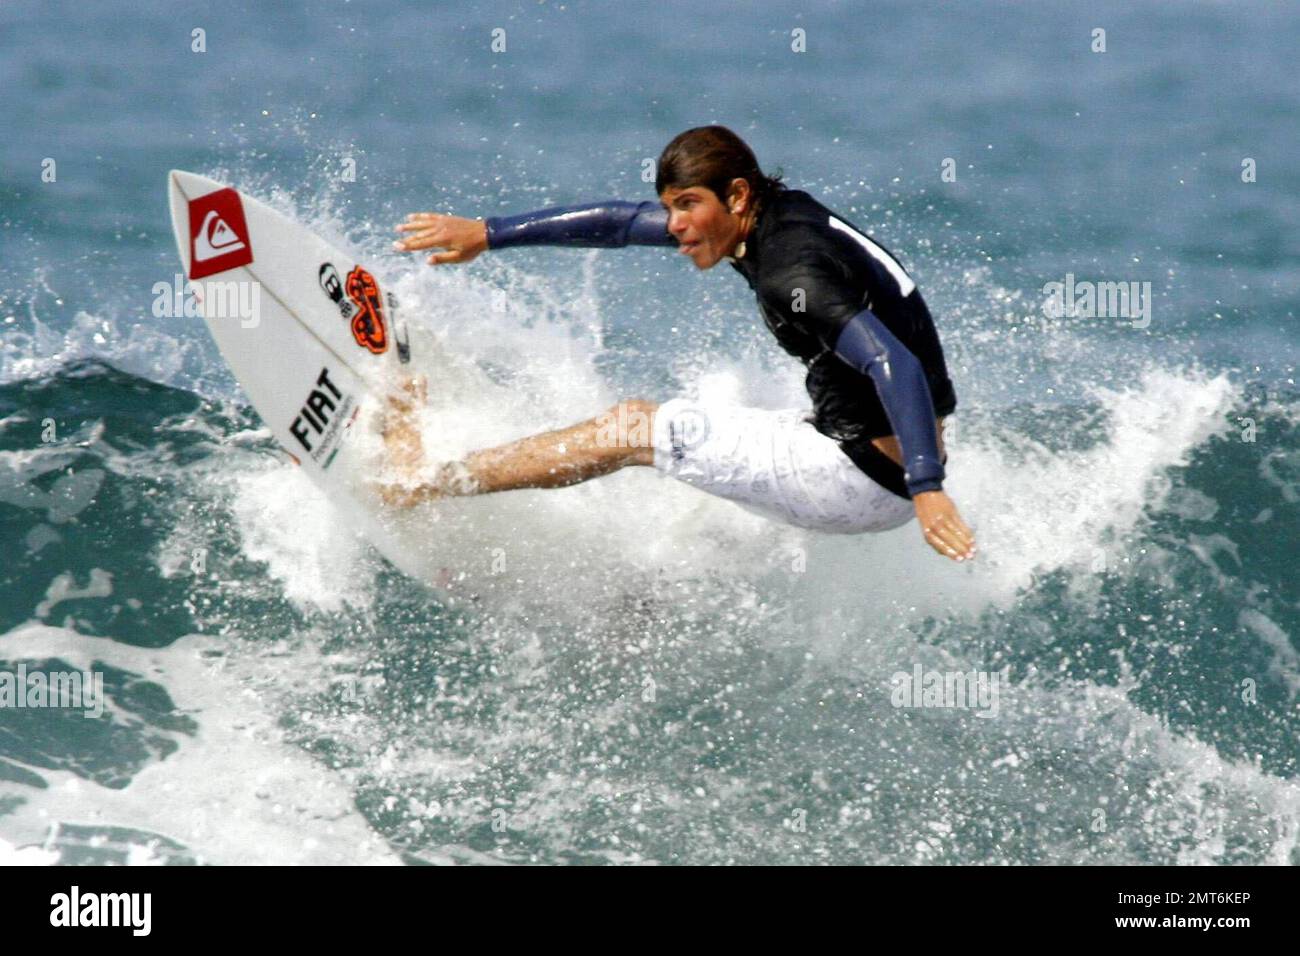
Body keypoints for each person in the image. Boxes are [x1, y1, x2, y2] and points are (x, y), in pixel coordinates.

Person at [379, 126, 976, 562]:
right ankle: (633, 610)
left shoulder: (792, 274)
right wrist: (489, 233)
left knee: (635, 429)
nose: (674, 225)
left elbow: (890, 360)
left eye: (688, 205)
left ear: (738, 196)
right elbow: (620, 222)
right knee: (691, 477)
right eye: (671, 207)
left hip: (864, 477)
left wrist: (928, 490)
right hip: (849, 447)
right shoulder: (770, 217)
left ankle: (422, 483)